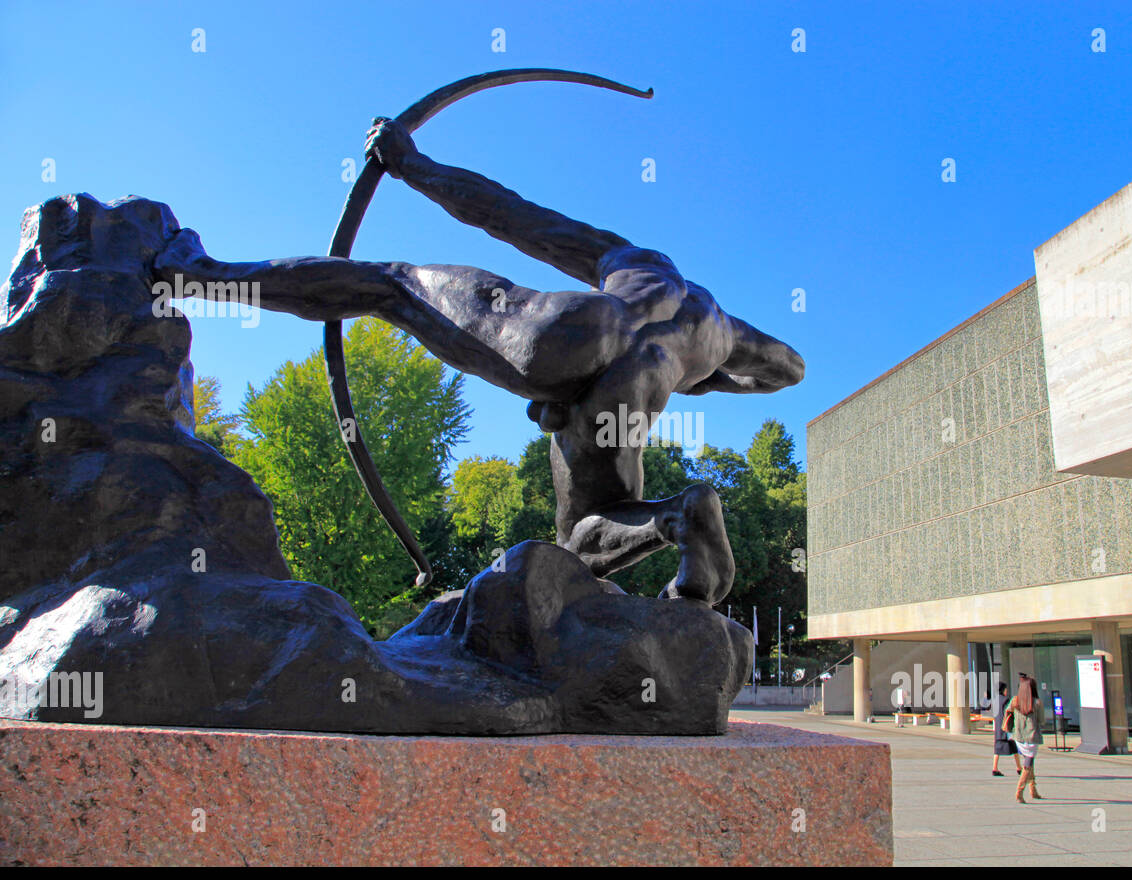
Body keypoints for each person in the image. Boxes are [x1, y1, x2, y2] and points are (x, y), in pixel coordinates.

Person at [153, 118, 805, 606]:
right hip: (639, 389)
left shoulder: (642, 265)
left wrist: (411, 164)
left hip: (572, 334)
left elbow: (511, 216)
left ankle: (199, 275)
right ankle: (681, 514)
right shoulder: (721, 330)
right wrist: (700, 375)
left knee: (391, 284)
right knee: (584, 531)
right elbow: (787, 369)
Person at [1007, 676, 1046, 802]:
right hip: (1031, 737)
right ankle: (1019, 791)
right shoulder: (1037, 703)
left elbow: (1008, 712)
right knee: (1028, 765)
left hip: (1018, 736)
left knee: (1029, 762)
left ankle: (1033, 790)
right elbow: (1041, 720)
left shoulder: (1015, 700)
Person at [991, 681, 1022, 778]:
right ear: (1003, 690)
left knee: (997, 749)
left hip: (998, 728)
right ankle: (1019, 768)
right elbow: (1009, 712)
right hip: (1006, 727)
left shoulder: (994, 700)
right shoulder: (1006, 700)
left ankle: (995, 768)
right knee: (1014, 747)